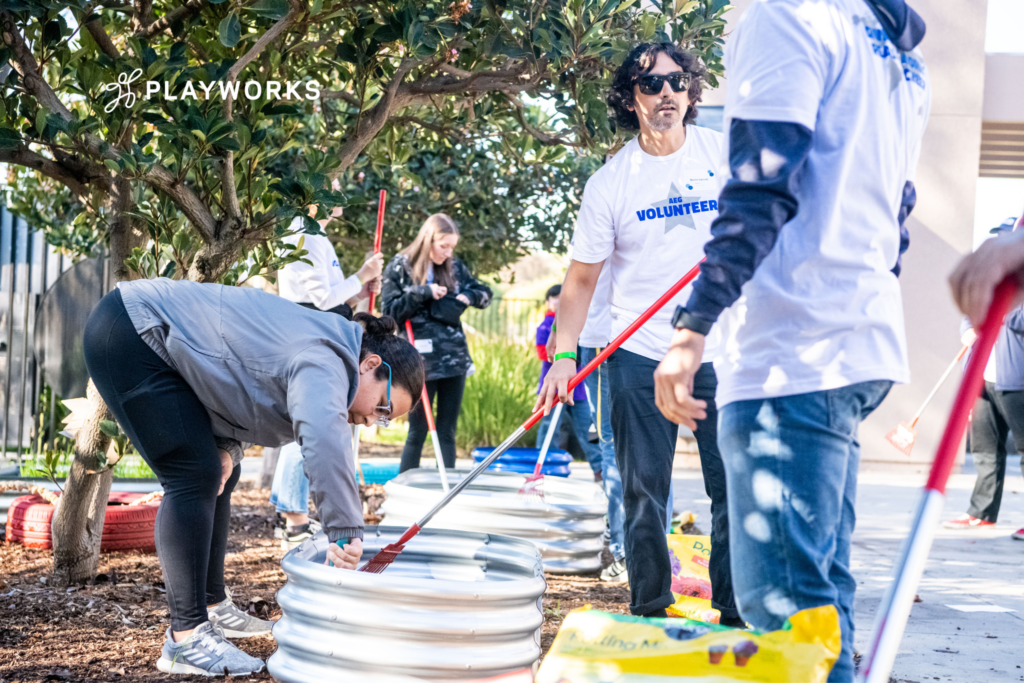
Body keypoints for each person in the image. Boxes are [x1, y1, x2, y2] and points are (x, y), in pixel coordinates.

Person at [653, 2, 930, 680]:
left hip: (792, 351)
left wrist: (693, 326)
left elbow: (761, 187)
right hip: (853, 340)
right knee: (819, 595)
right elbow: (899, 210)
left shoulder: (788, 15)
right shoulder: (896, 47)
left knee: (784, 609)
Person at [83, 278, 423, 676]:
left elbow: (241, 382)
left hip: (152, 339)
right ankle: (186, 639)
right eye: (382, 408)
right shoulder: (327, 359)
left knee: (220, 470)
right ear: (371, 365)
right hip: (131, 331)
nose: (371, 421)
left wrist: (229, 449)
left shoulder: (331, 347)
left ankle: (211, 606)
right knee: (192, 473)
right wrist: (345, 528)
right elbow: (323, 439)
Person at [537, 42, 741, 626]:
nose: (666, 93)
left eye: (677, 81)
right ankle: (651, 607)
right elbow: (580, 282)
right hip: (638, 350)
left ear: (692, 90)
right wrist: (563, 356)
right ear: (630, 100)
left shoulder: (723, 156)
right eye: (650, 85)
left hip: (720, 347)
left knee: (731, 486)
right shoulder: (611, 182)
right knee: (642, 489)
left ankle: (734, 611)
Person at [271, 205, 384, 549]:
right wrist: (362, 275)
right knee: (309, 422)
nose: (340, 198)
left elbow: (333, 297)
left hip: (322, 329)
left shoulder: (318, 235)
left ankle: (291, 514)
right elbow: (320, 300)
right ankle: (294, 520)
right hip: (309, 333)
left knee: (309, 420)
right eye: (334, 186)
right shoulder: (303, 233)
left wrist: (360, 292)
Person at [382, 214, 492, 473]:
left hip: (454, 359)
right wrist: (424, 292)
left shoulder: (454, 267)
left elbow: (485, 293)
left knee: (447, 431)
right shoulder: (401, 266)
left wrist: (468, 296)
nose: (449, 252)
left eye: (452, 247)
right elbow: (389, 313)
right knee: (417, 430)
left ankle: (448, 487)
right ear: (428, 240)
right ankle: (406, 484)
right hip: (418, 361)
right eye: (444, 246)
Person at [944, 215, 1024, 540]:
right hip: (983, 377)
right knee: (985, 448)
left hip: (1016, 380)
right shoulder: (989, 280)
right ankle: (981, 512)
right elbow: (969, 314)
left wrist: (1002, 309)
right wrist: (969, 326)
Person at [535, 284, 602, 480]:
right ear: (548, 302)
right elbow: (544, 353)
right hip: (553, 389)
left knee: (588, 429)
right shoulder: (545, 327)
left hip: (578, 388)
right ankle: (544, 467)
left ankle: (600, 468)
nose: (558, 301)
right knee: (549, 427)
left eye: (560, 297)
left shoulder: (579, 324)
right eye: (554, 298)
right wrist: (564, 352)